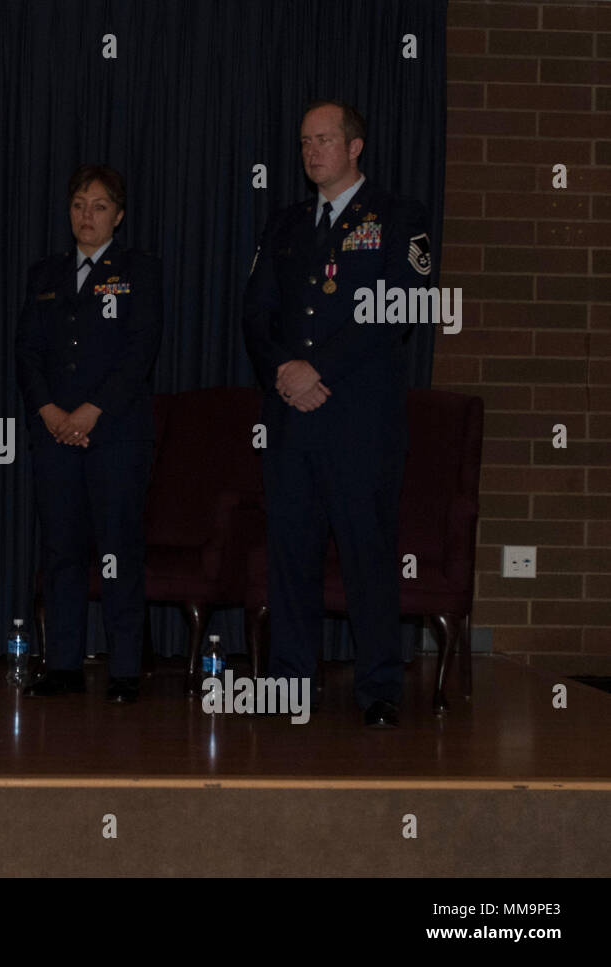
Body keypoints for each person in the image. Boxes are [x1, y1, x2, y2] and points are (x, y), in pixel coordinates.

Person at [242, 101, 434, 728]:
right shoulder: (286, 224)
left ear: (355, 147)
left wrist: (315, 368)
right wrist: (284, 372)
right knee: (291, 553)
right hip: (292, 416)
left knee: (366, 555)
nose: (311, 151)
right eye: (303, 142)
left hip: (358, 419)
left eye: (324, 140)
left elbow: (398, 309)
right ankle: (290, 683)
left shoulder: (399, 217)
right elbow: (256, 315)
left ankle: (378, 686)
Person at [15, 164, 163, 704]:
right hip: (54, 434)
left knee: (118, 550)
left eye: (99, 206)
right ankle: (63, 665)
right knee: (61, 550)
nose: (87, 216)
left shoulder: (140, 271)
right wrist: (52, 412)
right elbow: (27, 353)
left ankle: (125, 669)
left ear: (118, 216)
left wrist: (91, 412)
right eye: (79, 204)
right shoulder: (45, 275)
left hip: (116, 434)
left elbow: (139, 351)